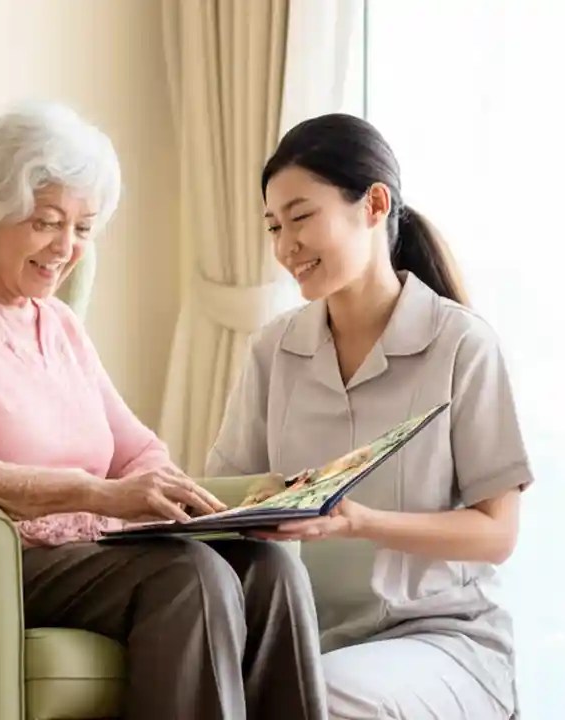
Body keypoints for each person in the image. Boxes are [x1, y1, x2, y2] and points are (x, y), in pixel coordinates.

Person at [0, 102, 327, 720]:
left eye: (82, 229)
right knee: (191, 579)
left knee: (269, 572)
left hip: (94, 552)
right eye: (46, 222)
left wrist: (183, 504)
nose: (65, 248)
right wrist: (96, 494)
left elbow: (135, 450)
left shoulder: (56, 323)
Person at [207, 113, 533, 719]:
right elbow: (228, 498)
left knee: (309, 696)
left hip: (443, 641)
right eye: (274, 226)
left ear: (375, 204)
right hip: (308, 639)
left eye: (302, 217)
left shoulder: (461, 345)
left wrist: (357, 522)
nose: (285, 246)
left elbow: (496, 533)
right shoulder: (273, 351)